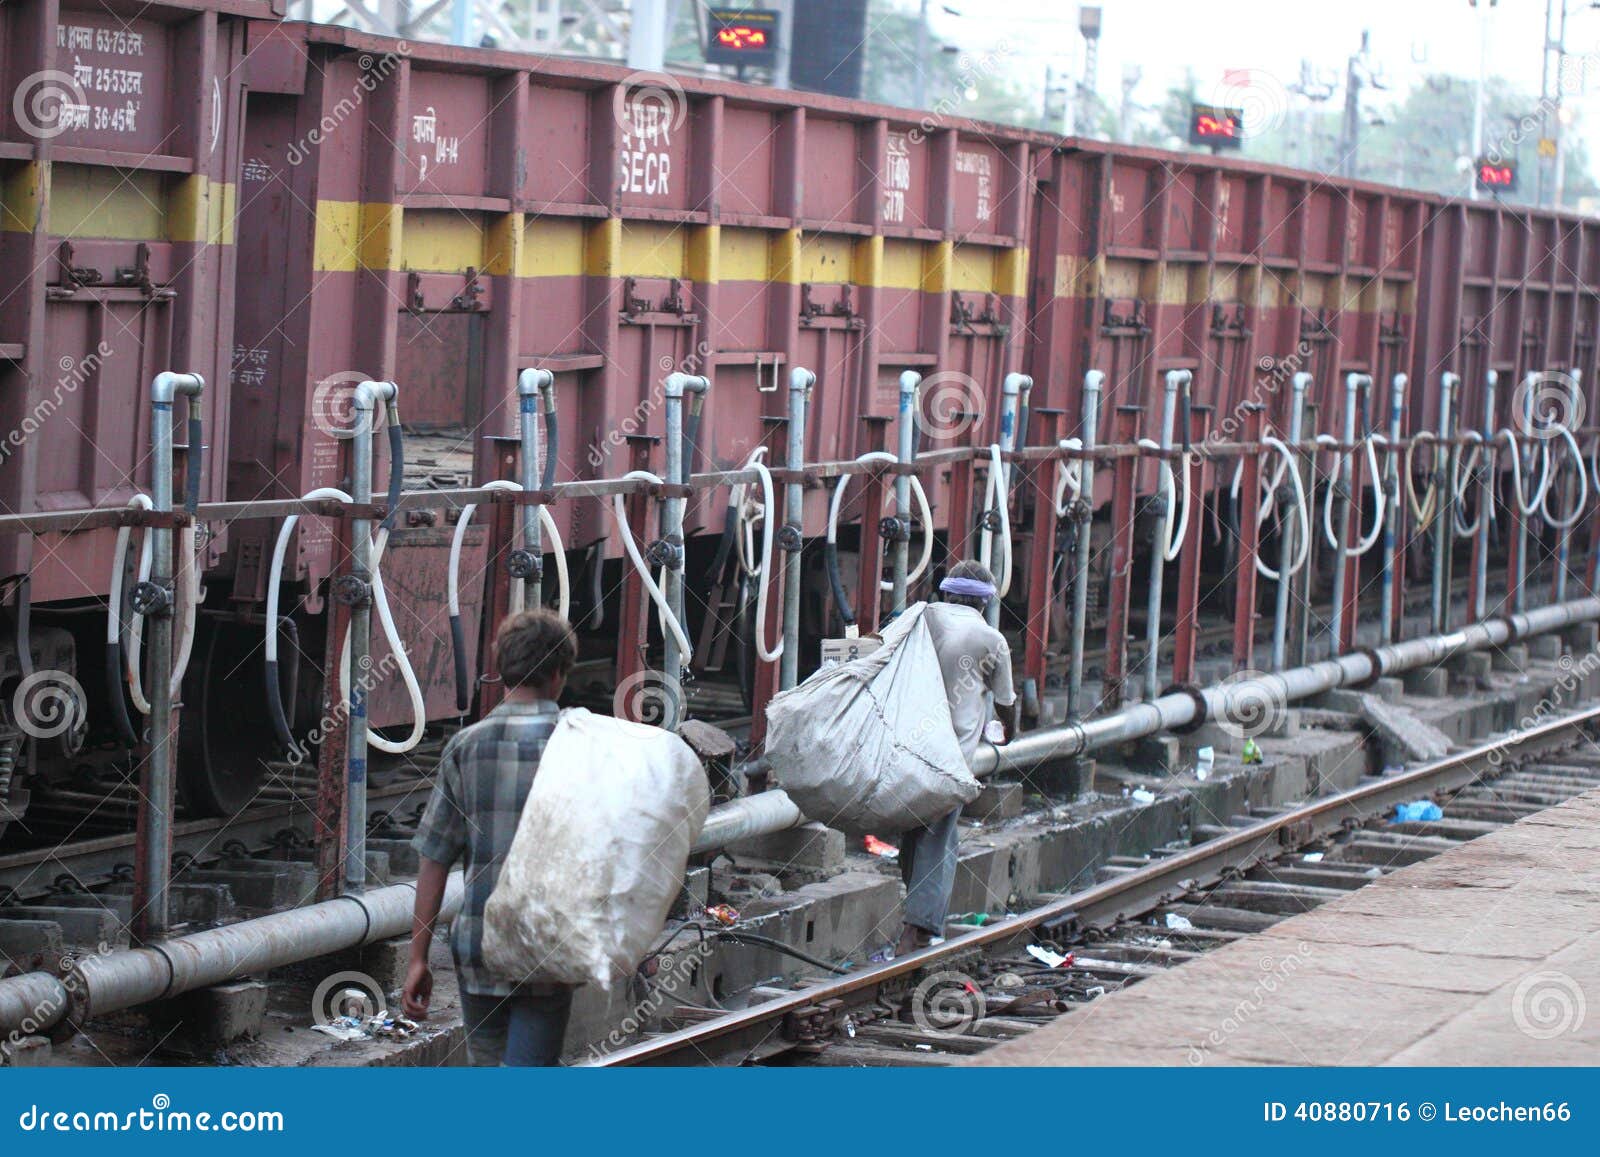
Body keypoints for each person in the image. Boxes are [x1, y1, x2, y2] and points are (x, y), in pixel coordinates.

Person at [403, 608, 577, 1066]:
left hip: (478, 943)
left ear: (502, 670)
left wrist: (417, 957)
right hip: (547, 942)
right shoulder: (580, 745)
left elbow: (434, 858)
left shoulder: (467, 746)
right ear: (559, 674)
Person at [896, 560, 1017, 958]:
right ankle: (919, 931)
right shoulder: (990, 639)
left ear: (946, 593)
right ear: (984, 603)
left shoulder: (920, 618)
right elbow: (1005, 702)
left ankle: (917, 921)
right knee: (938, 839)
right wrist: (1010, 732)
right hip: (950, 759)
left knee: (914, 832)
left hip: (906, 749)